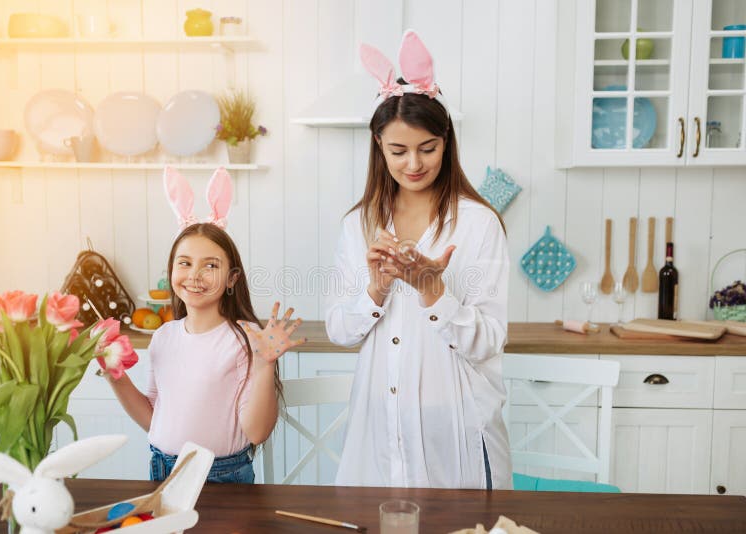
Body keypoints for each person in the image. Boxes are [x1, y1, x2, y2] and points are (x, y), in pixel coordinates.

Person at [325, 31, 511, 490]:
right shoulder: (359, 225)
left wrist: (433, 291)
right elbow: (339, 331)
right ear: (378, 146)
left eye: (427, 148)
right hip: (379, 429)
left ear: (446, 142)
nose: (414, 164)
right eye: (398, 150)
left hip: (456, 430)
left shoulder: (478, 223)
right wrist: (377, 288)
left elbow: (488, 340)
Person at [104, 167, 306, 483]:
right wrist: (113, 373)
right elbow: (153, 418)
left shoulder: (244, 340)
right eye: (184, 263)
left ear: (232, 278)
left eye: (210, 265)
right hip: (162, 469)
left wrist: (266, 365)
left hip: (221, 475)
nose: (195, 275)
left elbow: (256, 432)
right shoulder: (163, 337)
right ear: (171, 270)